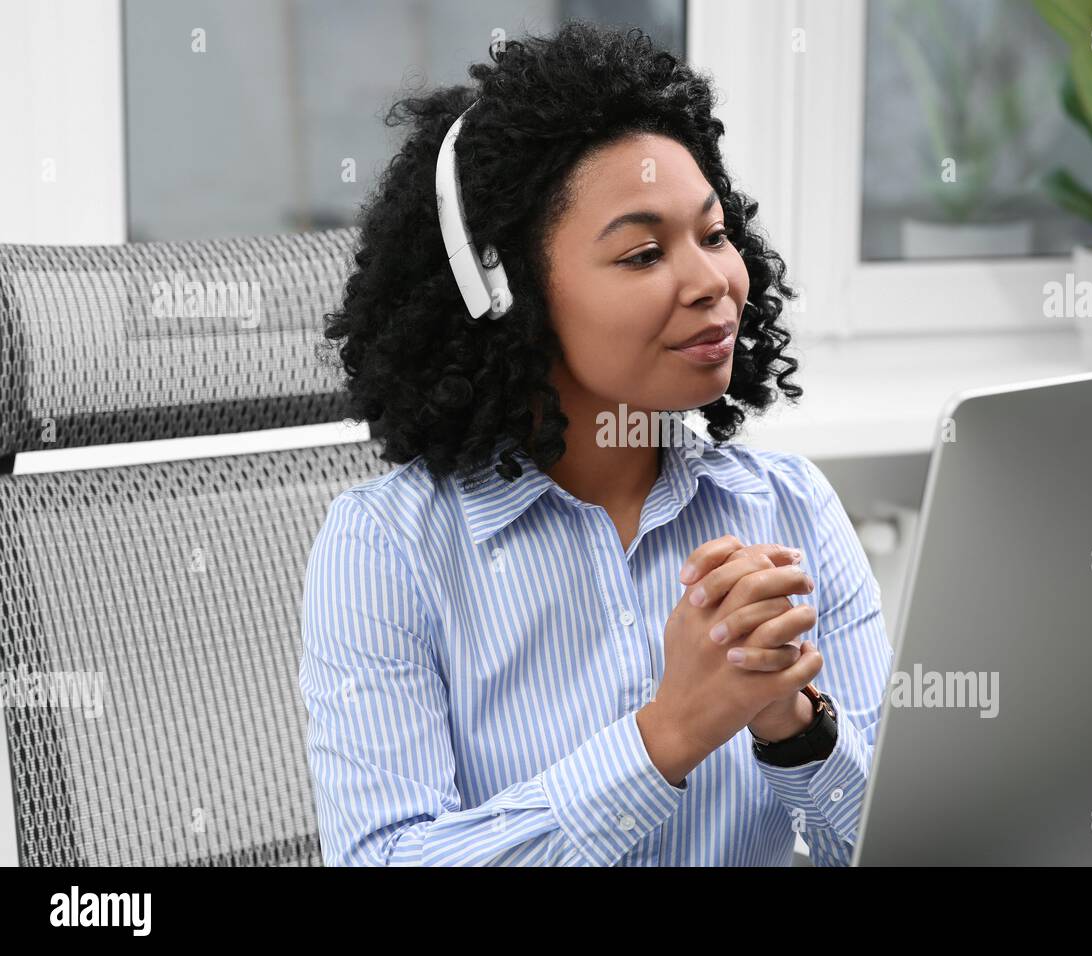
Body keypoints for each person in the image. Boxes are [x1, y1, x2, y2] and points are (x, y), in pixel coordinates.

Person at [300, 21, 893, 866]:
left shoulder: (790, 507)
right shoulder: (389, 550)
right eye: (644, 253)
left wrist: (792, 726)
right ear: (502, 290)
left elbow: (899, 844)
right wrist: (670, 733)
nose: (712, 282)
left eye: (714, 235)